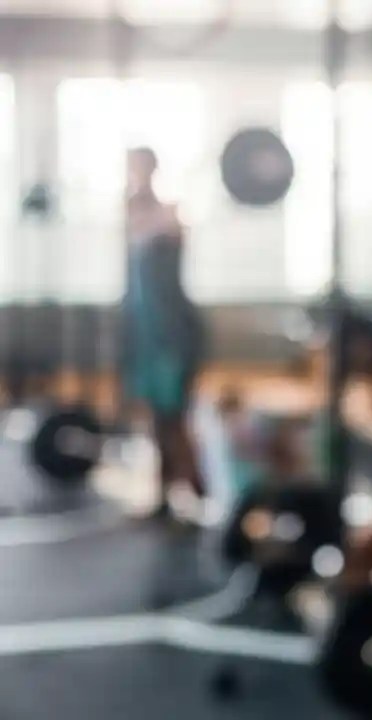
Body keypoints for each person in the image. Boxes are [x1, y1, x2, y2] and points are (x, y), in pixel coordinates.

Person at [122, 146, 207, 519]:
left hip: (172, 337)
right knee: (158, 420)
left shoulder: (167, 220)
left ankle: (197, 494)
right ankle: (165, 494)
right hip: (147, 337)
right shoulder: (133, 217)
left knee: (174, 419)